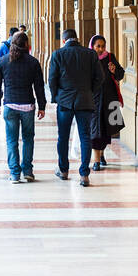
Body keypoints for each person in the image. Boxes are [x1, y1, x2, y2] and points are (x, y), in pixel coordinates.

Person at [48, 28, 103, 186]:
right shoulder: (90, 54)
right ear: (76, 39)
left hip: (65, 102)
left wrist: (55, 96)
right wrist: (90, 91)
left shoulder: (58, 54)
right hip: (85, 100)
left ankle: (63, 170)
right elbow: (100, 77)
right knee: (85, 136)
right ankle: (84, 175)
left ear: (64, 41)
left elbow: (52, 79)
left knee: (63, 137)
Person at [0, 30, 46, 183]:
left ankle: (15, 173)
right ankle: (27, 171)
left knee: (11, 140)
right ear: (27, 44)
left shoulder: (2, 61)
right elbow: (39, 86)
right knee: (28, 139)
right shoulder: (33, 62)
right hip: (27, 106)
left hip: (10, 105)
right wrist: (42, 106)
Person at [88, 34, 125, 170]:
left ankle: (102, 154)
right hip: (94, 100)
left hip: (109, 99)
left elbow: (120, 74)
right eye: (98, 46)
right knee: (95, 130)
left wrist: (114, 71)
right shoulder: (89, 58)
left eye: (103, 46)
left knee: (107, 130)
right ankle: (96, 161)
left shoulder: (110, 57)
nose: (101, 49)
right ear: (92, 46)